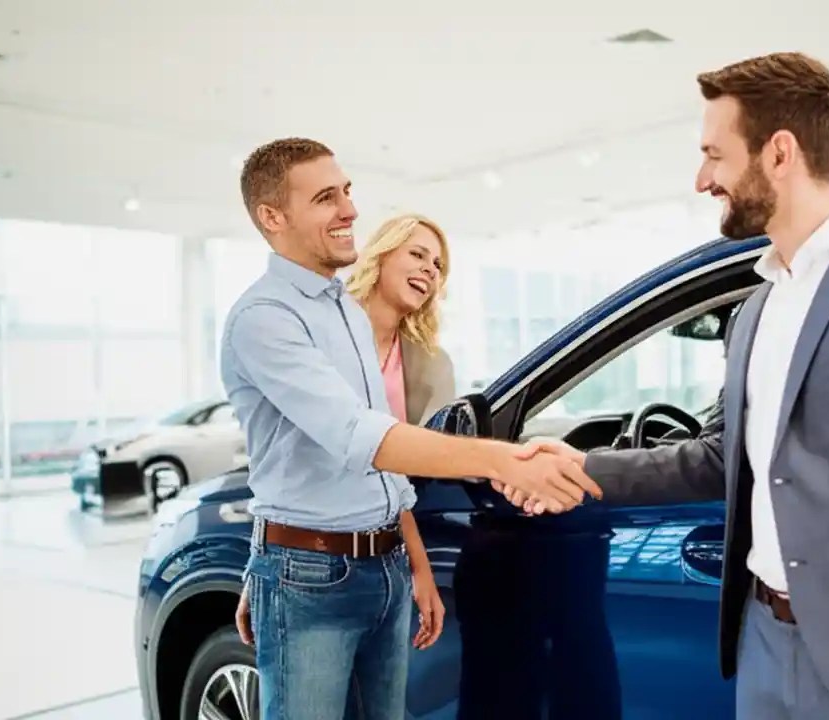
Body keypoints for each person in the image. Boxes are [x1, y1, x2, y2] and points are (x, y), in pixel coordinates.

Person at [505, 53, 829, 720]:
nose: (703, 179)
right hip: (762, 644)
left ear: (779, 153)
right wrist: (580, 466)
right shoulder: (757, 305)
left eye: (714, 155)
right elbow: (726, 458)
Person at [221, 137, 601, 720]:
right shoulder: (265, 318)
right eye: (327, 197)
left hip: (385, 567)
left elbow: (376, 465)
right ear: (274, 217)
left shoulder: (341, 310)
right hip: (311, 576)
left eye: (347, 192)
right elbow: (359, 434)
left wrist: (411, 564)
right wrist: (504, 461)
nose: (350, 210)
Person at [347, 212, 460, 650]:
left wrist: (417, 566)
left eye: (437, 266)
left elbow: (408, 466)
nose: (429, 270)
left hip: (388, 545)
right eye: (417, 254)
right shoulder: (324, 333)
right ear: (381, 254)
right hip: (315, 550)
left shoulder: (431, 362)